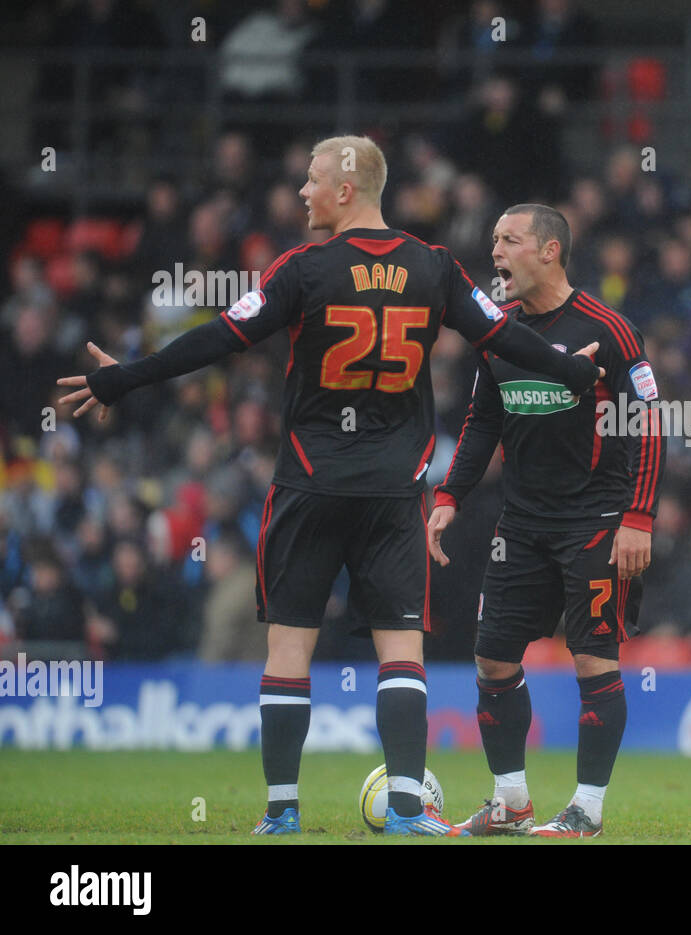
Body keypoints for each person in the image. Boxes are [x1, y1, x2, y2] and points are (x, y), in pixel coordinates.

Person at [57, 136, 601, 836]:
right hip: (394, 491)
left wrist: (124, 376)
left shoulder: (304, 270)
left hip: (309, 485)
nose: (302, 193)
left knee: (289, 649)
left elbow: (220, 337)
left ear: (346, 188)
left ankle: (281, 809)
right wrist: (574, 371)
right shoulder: (433, 268)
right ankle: (408, 807)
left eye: (312, 180)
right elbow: (503, 337)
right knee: (400, 651)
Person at [427, 203, 664, 837]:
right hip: (521, 525)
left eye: (509, 240)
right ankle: (511, 802)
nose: (495, 250)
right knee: (492, 660)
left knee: (593, 660)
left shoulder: (609, 328)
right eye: (493, 238)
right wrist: (450, 494)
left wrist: (638, 516)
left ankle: (586, 809)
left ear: (549, 251)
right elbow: (483, 420)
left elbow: (649, 422)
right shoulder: (497, 330)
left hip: (596, 520)